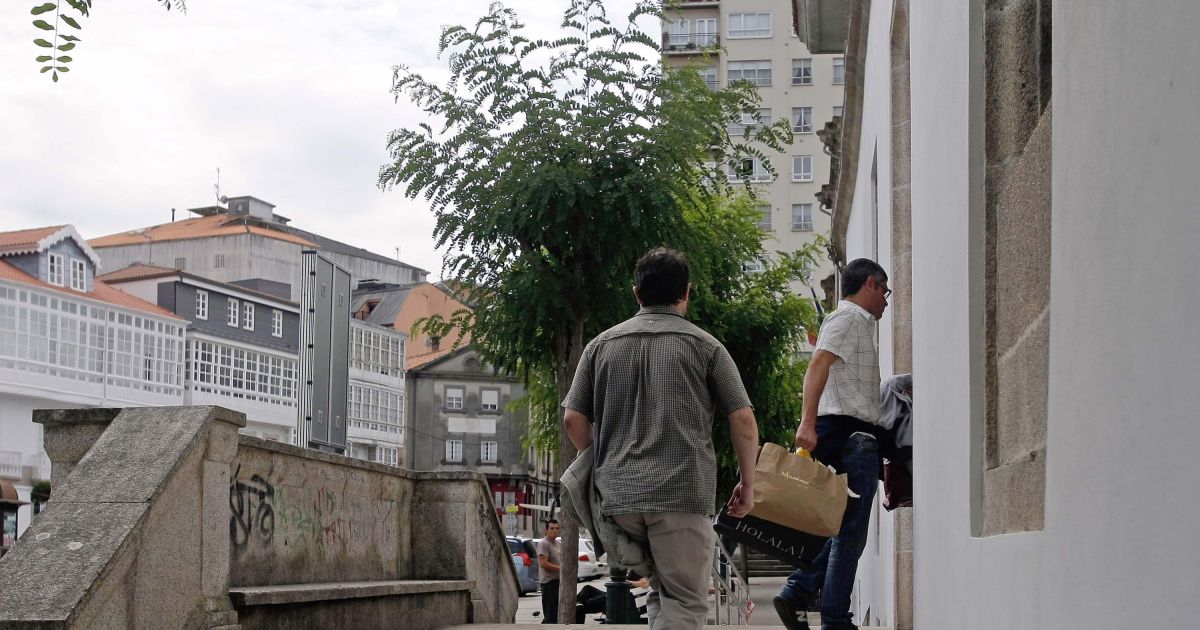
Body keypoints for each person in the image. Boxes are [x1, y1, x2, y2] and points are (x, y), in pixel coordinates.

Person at [563, 247, 761, 630]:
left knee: (661, 593)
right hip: (680, 494)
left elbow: (573, 418)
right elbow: (743, 418)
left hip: (618, 500)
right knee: (686, 603)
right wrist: (747, 485)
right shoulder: (706, 347)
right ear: (686, 292)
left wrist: (603, 459)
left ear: (636, 293)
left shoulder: (599, 346)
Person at [774, 258, 893, 630]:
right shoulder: (848, 318)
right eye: (885, 292)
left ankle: (798, 591)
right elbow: (817, 365)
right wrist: (806, 423)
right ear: (870, 284)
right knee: (850, 534)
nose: (886, 302)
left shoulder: (853, 323)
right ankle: (835, 619)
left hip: (854, 435)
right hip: (853, 438)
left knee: (845, 528)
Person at [537, 519, 562, 625]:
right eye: (551, 528)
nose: (554, 531)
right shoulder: (544, 543)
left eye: (556, 528)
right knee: (550, 615)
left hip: (558, 582)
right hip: (549, 583)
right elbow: (543, 563)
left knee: (556, 614)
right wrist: (561, 569)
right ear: (546, 530)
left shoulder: (558, 543)